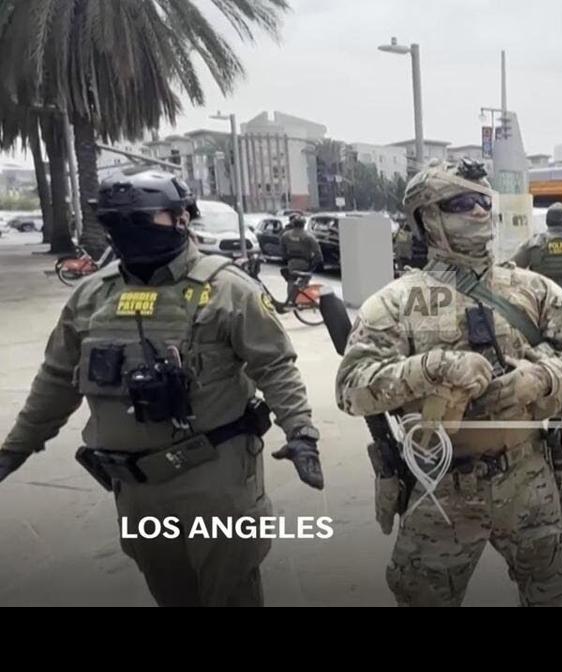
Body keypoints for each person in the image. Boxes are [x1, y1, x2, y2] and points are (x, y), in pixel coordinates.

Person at [0, 171, 324, 607]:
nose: (128, 230)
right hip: (136, 488)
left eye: (140, 219)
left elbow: (275, 366)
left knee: (230, 592)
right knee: (171, 594)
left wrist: (301, 433)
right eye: (116, 222)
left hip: (214, 477)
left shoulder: (228, 290)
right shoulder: (92, 297)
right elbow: (57, 379)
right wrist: (16, 448)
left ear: (180, 219)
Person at [336, 158, 562, 607]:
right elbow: (350, 389)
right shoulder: (397, 302)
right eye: (461, 203)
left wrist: (543, 377)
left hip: (529, 477)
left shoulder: (530, 288)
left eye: (483, 201)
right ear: (428, 217)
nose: (479, 211)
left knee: (555, 592)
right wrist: (431, 367)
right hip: (443, 487)